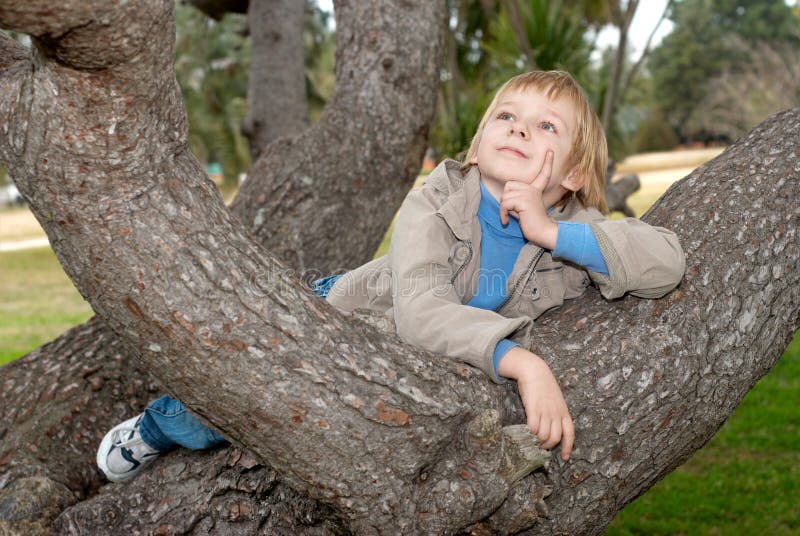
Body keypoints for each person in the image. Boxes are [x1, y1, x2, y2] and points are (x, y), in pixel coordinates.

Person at [96, 70, 685, 483]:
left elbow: (667, 261)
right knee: (233, 399)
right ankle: (155, 425)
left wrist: (551, 233)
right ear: (478, 146)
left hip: (404, 361)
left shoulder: (573, 230)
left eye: (546, 126)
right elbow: (422, 313)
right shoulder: (434, 202)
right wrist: (524, 363)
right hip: (346, 315)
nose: (521, 130)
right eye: (506, 117)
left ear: (577, 173)